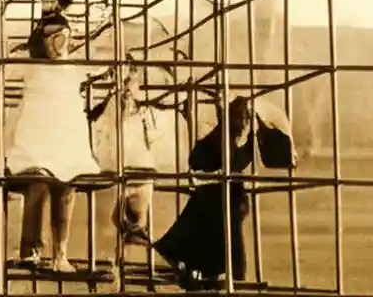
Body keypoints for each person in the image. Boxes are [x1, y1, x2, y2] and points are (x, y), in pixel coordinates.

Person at [152, 95, 295, 290]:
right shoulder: (222, 137)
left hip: (226, 198)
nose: (242, 123)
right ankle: (219, 273)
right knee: (225, 239)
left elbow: (269, 156)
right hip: (219, 199)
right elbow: (221, 160)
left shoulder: (237, 138)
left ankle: (213, 271)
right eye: (239, 118)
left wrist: (257, 129)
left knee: (224, 239)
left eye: (245, 119)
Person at [5, 0, 102, 272]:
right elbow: (5, 68)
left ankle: (60, 253)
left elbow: (97, 68)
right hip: (37, 143)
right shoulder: (32, 67)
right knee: (39, 183)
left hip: (67, 144)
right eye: (54, 39)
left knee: (67, 190)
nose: (59, 45)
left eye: (63, 39)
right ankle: (31, 251)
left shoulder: (70, 68)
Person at [86, 63, 165, 246]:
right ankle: (130, 229)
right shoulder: (114, 103)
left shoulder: (144, 107)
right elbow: (102, 129)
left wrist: (142, 116)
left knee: (137, 200)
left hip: (139, 163)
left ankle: (134, 228)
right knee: (129, 198)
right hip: (123, 162)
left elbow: (154, 135)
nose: (128, 86)